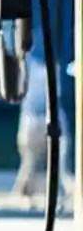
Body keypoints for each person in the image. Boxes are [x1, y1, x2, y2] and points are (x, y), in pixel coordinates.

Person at [12, 45, 73, 206]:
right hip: (35, 117)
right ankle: (26, 191)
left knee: (59, 161)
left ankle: (64, 189)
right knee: (32, 162)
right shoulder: (31, 61)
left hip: (45, 116)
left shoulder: (50, 64)